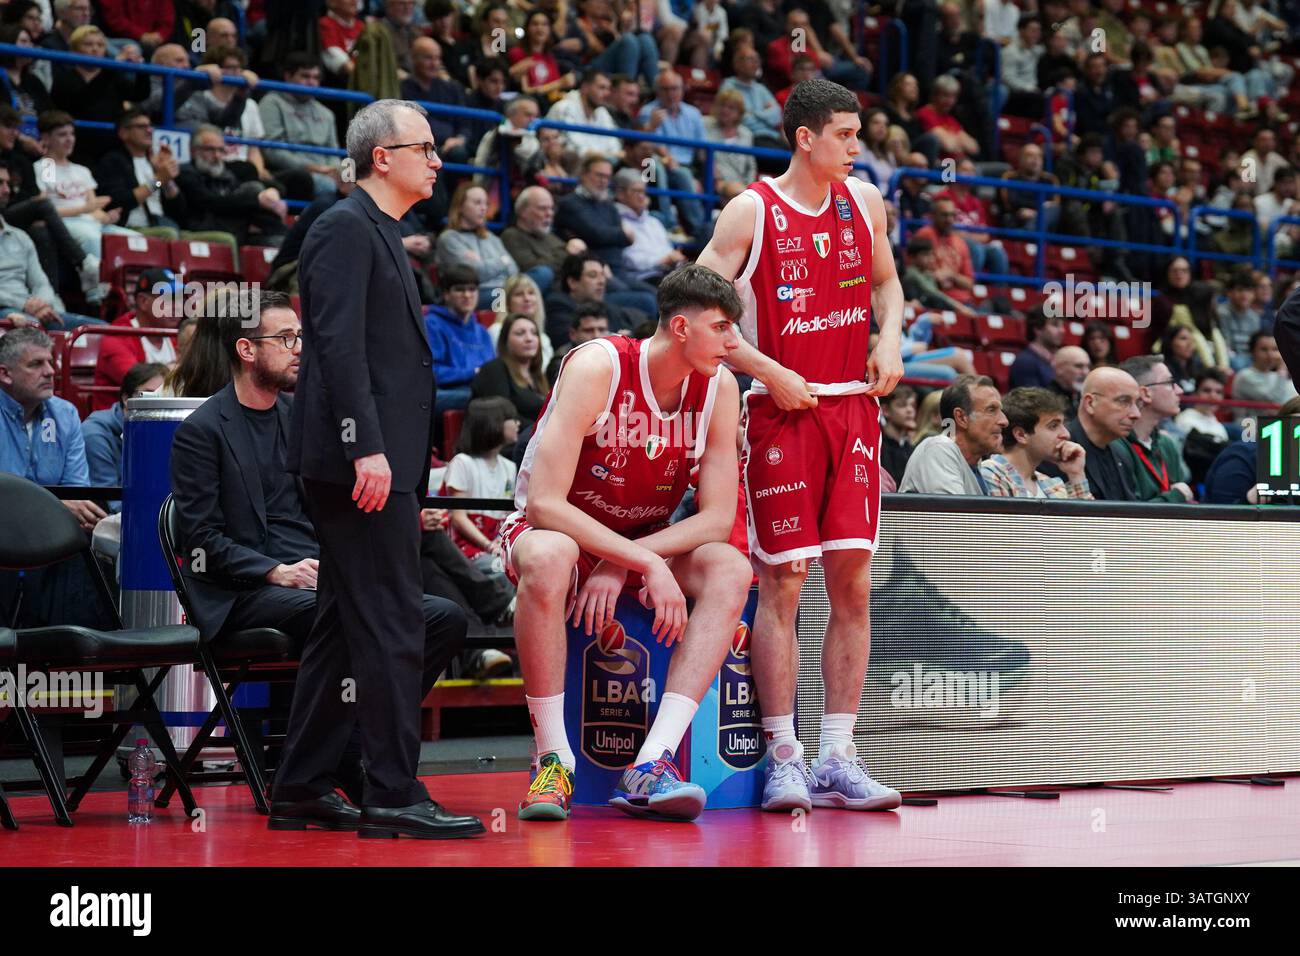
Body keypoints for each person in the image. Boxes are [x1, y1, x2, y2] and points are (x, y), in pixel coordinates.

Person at [169, 290, 468, 824]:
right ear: (246, 349)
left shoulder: (300, 417)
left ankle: (346, 751)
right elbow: (199, 542)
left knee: (441, 617)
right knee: (352, 616)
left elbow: (334, 507)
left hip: (320, 575)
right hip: (247, 593)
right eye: (284, 339)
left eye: (301, 337)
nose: (299, 348)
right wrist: (274, 570)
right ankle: (320, 775)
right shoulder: (202, 431)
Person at [276, 99, 484, 840]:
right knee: (396, 621)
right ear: (380, 156)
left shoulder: (384, 233)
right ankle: (393, 790)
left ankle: (300, 785)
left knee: (341, 626)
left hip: (374, 459)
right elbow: (335, 346)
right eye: (423, 148)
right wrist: (364, 443)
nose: (437, 160)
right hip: (357, 461)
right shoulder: (342, 227)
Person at [697, 79, 905, 814]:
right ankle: (784, 755)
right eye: (845, 135)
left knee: (851, 586)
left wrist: (892, 334)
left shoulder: (867, 202)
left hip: (854, 411)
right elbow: (694, 305)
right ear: (805, 138)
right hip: (778, 414)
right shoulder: (752, 209)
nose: (857, 147)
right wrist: (766, 368)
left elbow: (888, 283)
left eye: (859, 134)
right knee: (783, 585)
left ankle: (838, 754)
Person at [501, 264, 751, 822]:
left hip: (646, 539)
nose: (735, 342)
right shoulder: (599, 365)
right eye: (722, 328)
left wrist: (630, 561)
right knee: (549, 555)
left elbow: (715, 519)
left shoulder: (721, 387)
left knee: (729, 569)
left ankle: (653, 761)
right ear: (681, 327)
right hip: (563, 530)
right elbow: (545, 504)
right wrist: (634, 559)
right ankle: (553, 762)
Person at [0, 165, 100, 331]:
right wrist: (23, 304)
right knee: (27, 326)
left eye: (7, 183)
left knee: (102, 330)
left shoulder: (21, 238)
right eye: (0, 183)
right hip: (7, 311)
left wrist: (42, 304)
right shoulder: (47, 165)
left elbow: (41, 283)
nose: (7, 190)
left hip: (31, 310)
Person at [175, 126, 288, 247]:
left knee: (256, 189)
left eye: (221, 150)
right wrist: (257, 201)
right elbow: (209, 202)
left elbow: (272, 188)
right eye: (210, 150)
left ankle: (284, 237)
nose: (217, 156)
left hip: (237, 228)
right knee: (253, 196)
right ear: (193, 151)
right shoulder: (185, 173)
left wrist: (273, 194)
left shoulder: (227, 172)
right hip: (203, 227)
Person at [1041, 367, 1140, 500]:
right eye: (1123, 401)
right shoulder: (1057, 450)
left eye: (1137, 403)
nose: (1136, 414)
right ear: (1090, 403)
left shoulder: (1122, 454)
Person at [91, 268, 183, 410]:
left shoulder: (175, 336)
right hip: (117, 426)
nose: (178, 307)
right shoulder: (116, 337)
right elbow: (142, 384)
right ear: (143, 301)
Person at [899, 375, 1007, 495]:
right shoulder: (939, 449)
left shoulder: (974, 466)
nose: (1004, 421)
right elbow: (955, 514)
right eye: (991, 410)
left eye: (1001, 411)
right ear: (961, 418)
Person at [445, 395, 519, 564]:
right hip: (466, 547)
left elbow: (508, 515)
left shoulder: (509, 466)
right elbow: (458, 518)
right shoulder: (462, 462)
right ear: (494, 424)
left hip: (498, 542)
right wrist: (489, 546)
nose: (518, 424)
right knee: (499, 570)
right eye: (512, 419)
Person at [980, 387, 1091, 498]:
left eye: (1063, 424)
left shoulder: (1051, 484)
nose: (1066, 434)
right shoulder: (992, 475)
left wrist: (1076, 474)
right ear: (1021, 435)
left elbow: (1085, 515)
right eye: (1053, 426)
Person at [258, 54, 341, 201]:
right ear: (288, 76)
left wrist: (335, 171)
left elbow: (333, 152)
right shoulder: (271, 103)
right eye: (305, 76)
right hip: (290, 172)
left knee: (359, 184)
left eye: (316, 78)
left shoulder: (326, 113)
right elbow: (272, 151)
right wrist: (314, 168)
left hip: (325, 173)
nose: (312, 83)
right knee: (326, 186)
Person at [82, 361, 167, 502]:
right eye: (149, 395)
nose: (159, 403)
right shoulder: (96, 433)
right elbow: (110, 499)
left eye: (164, 396)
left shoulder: (161, 430)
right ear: (127, 399)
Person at [1115, 355, 1195, 502]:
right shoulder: (1116, 446)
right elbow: (1129, 516)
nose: (1179, 390)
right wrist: (1175, 496)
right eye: (1170, 382)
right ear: (1145, 393)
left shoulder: (1167, 444)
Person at [94, 109, 186, 232]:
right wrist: (158, 180)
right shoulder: (113, 161)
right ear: (123, 133)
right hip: (131, 227)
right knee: (168, 234)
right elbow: (120, 201)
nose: (149, 130)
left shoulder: (153, 162)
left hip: (163, 223)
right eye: (141, 126)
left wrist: (168, 180)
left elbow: (180, 211)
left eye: (150, 126)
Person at [423, 263, 494, 418]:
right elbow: (430, 373)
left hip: (477, 390)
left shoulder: (482, 332)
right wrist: (473, 373)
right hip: (444, 393)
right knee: (487, 400)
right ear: (446, 294)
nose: (467, 295)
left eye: (472, 289)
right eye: (460, 289)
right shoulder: (431, 324)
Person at [434, 183, 518, 311]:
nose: (483, 208)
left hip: (502, 290)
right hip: (473, 295)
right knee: (514, 298)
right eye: (477, 203)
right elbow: (474, 275)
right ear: (460, 206)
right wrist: (502, 262)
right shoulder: (449, 238)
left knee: (534, 281)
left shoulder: (491, 238)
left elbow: (513, 270)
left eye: (486, 204)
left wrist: (485, 265)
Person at [501, 185, 586, 295]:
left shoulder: (550, 236)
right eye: (542, 208)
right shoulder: (512, 236)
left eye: (551, 208)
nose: (549, 213)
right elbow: (535, 269)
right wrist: (567, 253)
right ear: (523, 211)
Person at [471, 311, 549, 425]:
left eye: (534, 333)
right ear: (505, 341)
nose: (529, 338)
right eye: (520, 333)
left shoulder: (537, 375)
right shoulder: (494, 369)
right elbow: (501, 417)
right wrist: (541, 431)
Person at [546, 299, 610, 384]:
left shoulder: (613, 355)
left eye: (602, 330)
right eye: (588, 330)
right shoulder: (562, 362)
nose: (596, 336)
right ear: (573, 334)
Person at [1231, 330, 1297, 406]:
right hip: (1253, 418)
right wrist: (1282, 369)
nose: (1270, 355)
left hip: (1280, 418)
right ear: (1252, 352)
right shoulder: (1245, 376)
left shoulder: (1277, 376)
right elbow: (1274, 401)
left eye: (1275, 349)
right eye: (1264, 349)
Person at [1010, 310, 1065, 389]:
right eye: (1055, 325)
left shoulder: (1055, 360)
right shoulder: (1025, 362)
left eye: (1062, 326)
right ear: (1038, 329)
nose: (1062, 330)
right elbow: (1033, 399)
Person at [879, 384, 917, 486]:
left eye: (912, 405)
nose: (910, 410)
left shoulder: (911, 447)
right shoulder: (878, 446)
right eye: (902, 405)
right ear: (886, 410)